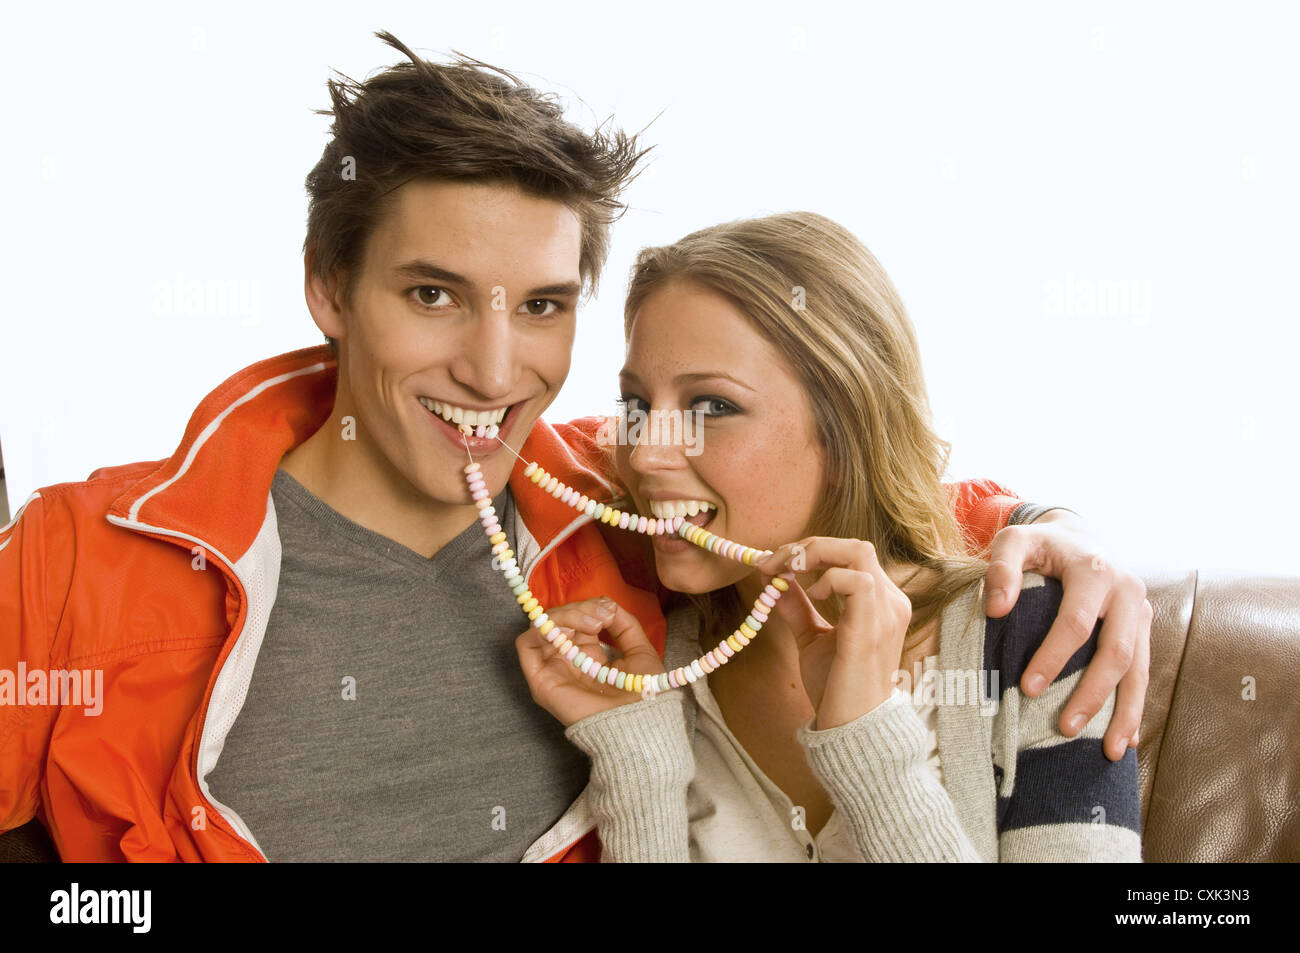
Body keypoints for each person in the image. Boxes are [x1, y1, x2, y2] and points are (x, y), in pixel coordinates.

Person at [0, 35, 1147, 862]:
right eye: (435, 293)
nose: (495, 372)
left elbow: (838, 490)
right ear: (330, 288)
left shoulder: (612, 510)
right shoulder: (74, 560)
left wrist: (1050, 533)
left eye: (544, 305)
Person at [515, 212, 1146, 861]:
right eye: (637, 405)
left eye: (712, 407)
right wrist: (640, 764)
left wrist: (869, 742)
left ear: (848, 436)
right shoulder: (659, 660)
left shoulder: (1044, 632)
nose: (646, 452)